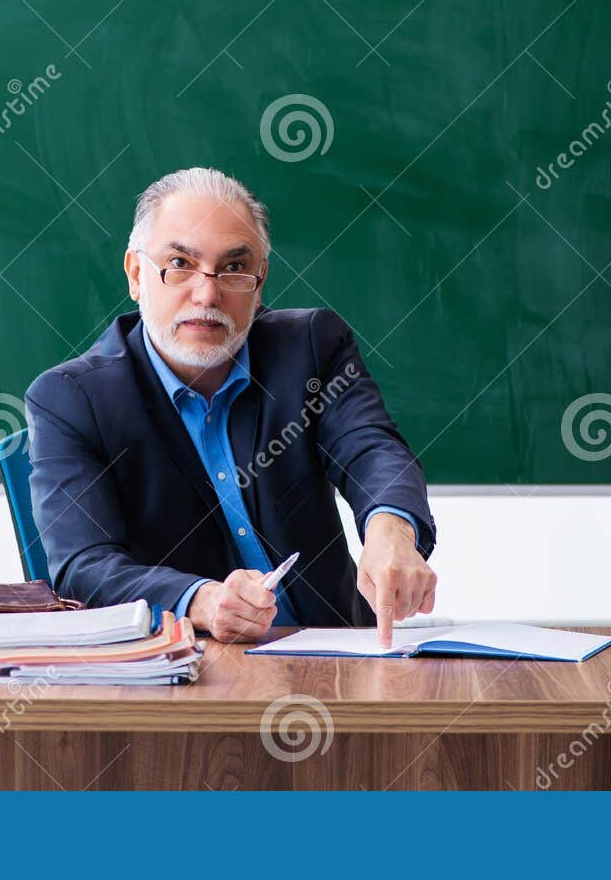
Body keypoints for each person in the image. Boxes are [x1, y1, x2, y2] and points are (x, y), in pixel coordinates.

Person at [26, 167, 437, 645]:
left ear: (260, 282)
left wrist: (390, 529)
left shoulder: (312, 347)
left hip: (338, 655)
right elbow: (83, 566)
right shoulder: (70, 398)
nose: (207, 294)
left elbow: (371, 448)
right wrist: (200, 600)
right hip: (188, 675)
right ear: (137, 274)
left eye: (234, 268)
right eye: (179, 263)